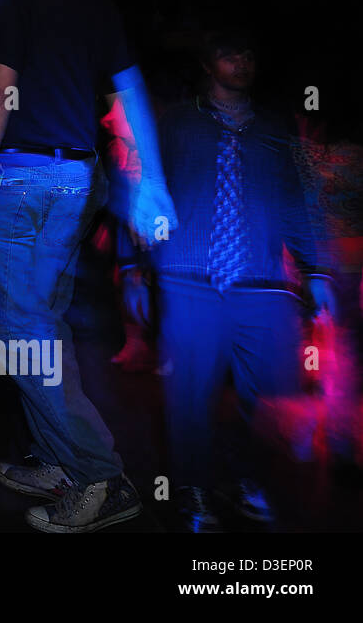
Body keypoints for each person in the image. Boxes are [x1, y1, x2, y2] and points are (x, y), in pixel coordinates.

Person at [0, 0, 176, 533]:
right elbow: (132, 92)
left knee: (17, 332)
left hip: (22, 177)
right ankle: (58, 459)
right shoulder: (91, 1)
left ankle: (99, 473)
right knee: (42, 324)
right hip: (77, 179)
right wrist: (151, 179)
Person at [136, 30, 334, 531]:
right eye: (230, 53)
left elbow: (294, 201)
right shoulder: (179, 121)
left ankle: (250, 477)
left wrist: (317, 270)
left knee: (272, 392)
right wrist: (130, 268)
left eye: (249, 52)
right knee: (189, 395)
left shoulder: (274, 125)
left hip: (263, 284)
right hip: (188, 278)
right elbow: (149, 187)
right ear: (208, 63)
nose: (242, 61)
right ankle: (193, 490)